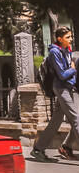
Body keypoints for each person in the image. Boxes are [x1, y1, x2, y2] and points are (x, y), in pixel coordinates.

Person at [31, 25, 79, 161]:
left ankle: (38, 149)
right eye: (68, 37)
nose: (71, 39)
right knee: (77, 119)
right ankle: (40, 149)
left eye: (71, 36)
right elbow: (62, 75)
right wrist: (73, 70)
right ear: (59, 39)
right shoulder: (54, 53)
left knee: (56, 121)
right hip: (61, 88)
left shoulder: (67, 49)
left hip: (69, 88)